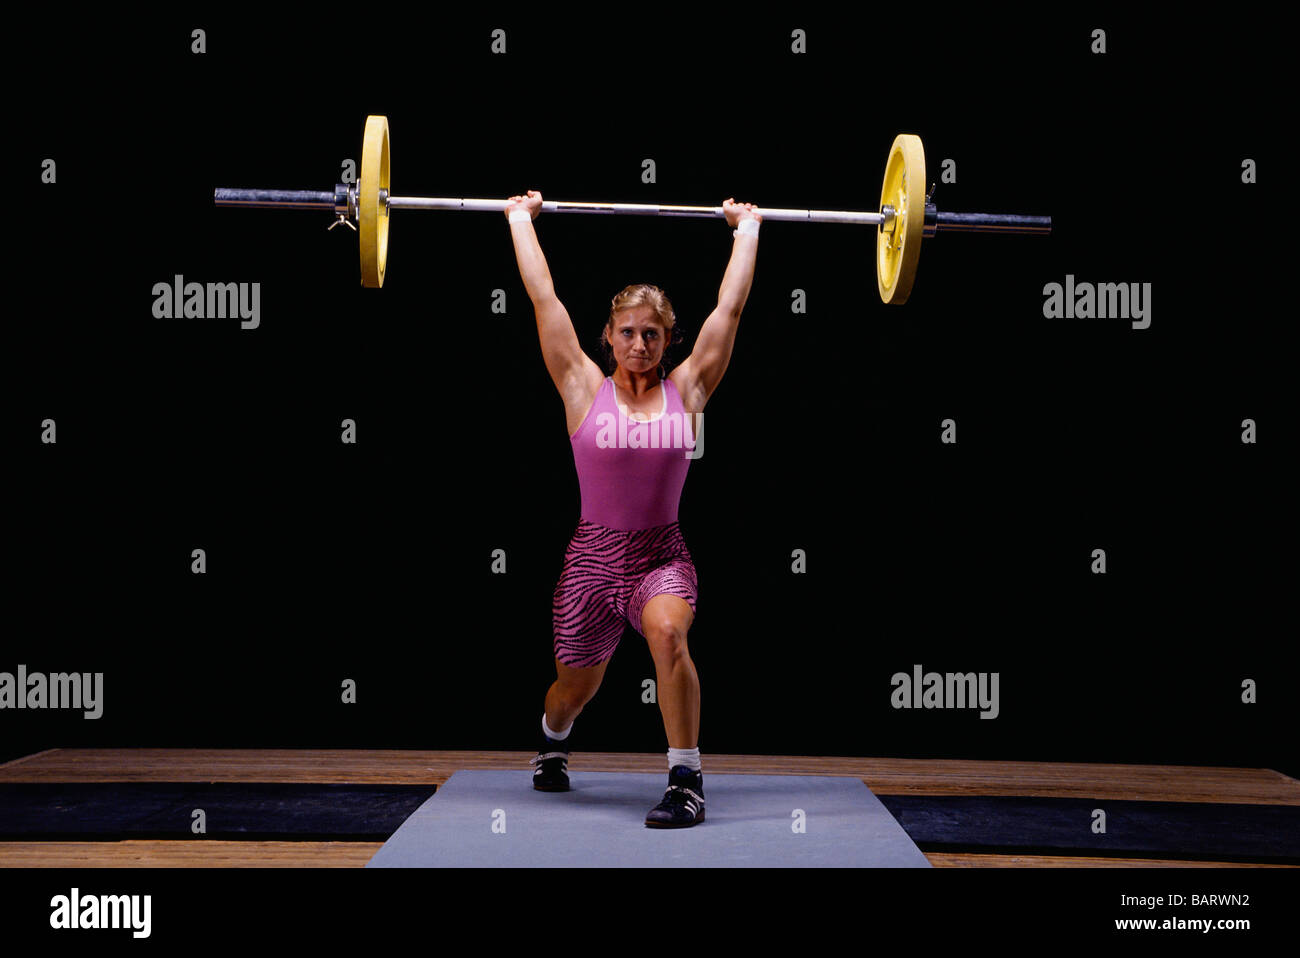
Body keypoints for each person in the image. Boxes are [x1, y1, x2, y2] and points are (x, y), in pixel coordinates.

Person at [505, 189, 760, 827]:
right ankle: (553, 739)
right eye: (627, 332)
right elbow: (545, 298)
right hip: (590, 560)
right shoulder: (579, 385)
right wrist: (517, 220)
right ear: (608, 336)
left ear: (669, 339)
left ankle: (685, 780)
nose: (639, 344)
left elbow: (730, 308)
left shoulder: (691, 388)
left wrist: (746, 230)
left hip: (660, 555)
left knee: (669, 633)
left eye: (652, 333)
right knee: (573, 692)